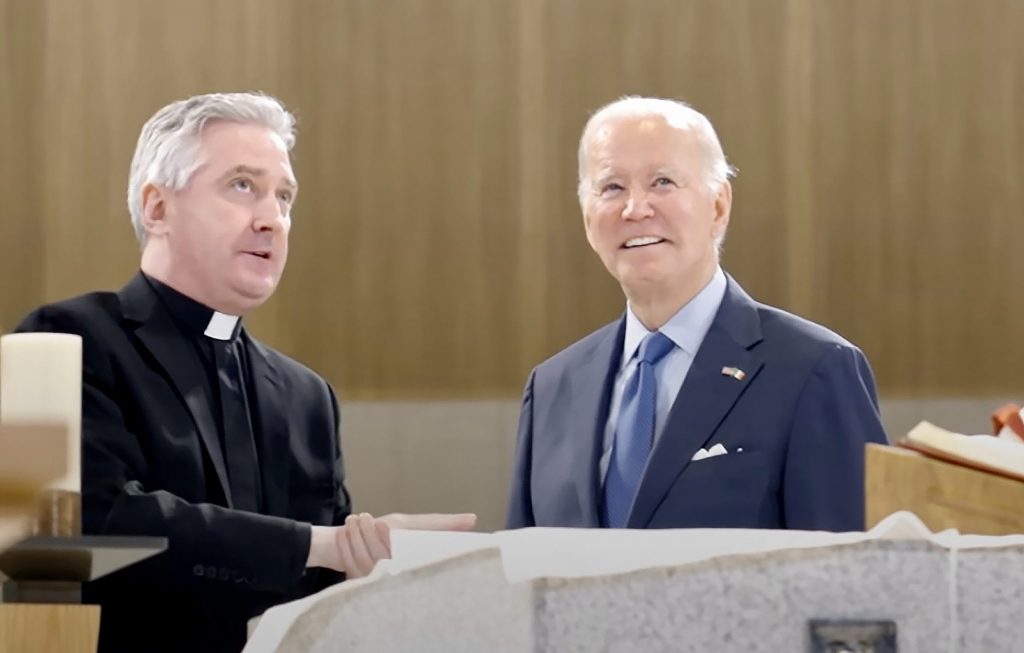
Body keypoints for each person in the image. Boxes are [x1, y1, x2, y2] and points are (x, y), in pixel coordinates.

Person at [16, 92, 474, 653]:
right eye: (243, 186)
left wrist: (374, 557)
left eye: (284, 197)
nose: (272, 220)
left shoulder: (307, 397)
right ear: (157, 208)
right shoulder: (68, 338)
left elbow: (322, 580)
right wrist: (319, 545)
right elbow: (80, 526)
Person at [506, 96, 888, 533]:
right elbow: (525, 577)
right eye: (612, 187)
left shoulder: (814, 368)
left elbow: (854, 580)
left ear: (718, 207)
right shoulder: (553, 387)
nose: (635, 208)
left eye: (663, 182)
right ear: (587, 218)